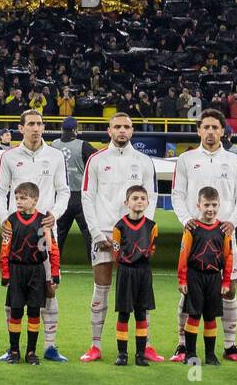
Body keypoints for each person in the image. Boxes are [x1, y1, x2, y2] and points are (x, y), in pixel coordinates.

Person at [169, 108, 237, 362]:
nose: (211, 131)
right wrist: (185, 220)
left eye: (216, 127)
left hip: (223, 234)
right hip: (195, 234)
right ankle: (183, 345)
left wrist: (233, 222)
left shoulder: (235, 161)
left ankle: (230, 345)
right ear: (199, 130)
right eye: (206, 127)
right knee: (188, 290)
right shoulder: (186, 159)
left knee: (229, 288)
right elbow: (177, 194)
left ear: (223, 131)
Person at [79, 112, 158, 363]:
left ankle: (145, 346)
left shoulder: (144, 161)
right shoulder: (97, 159)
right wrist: (95, 232)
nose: (122, 131)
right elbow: (87, 197)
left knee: (140, 293)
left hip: (135, 237)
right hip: (103, 231)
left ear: (132, 131)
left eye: (126, 127)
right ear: (109, 130)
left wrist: (145, 231)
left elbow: (152, 197)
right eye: (117, 127)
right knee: (101, 288)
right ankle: (95, 345)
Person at [0, 109, 68, 361]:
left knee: (49, 289)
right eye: (31, 124)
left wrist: (54, 214)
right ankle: (13, 348)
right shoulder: (10, 156)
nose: (36, 128)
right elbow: (0, 191)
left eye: (40, 124)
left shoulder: (56, 156)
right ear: (21, 127)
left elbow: (64, 191)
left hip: (45, 231)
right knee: (14, 296)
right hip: (17, 231)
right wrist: (3, 219)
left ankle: (49, 346)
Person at [0, 181, 60, 366]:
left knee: (34, 311)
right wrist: (5, 273)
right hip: (17, 271)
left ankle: (31, 352)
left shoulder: (43, 222)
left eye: (23, 198)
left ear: (35, 200)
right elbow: (4, 249)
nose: (18, 201)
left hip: (36, 271)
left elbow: (52, 248)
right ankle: (14, 351)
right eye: (16, 198)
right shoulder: (11, 221)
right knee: (15, 311)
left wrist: (54, 272)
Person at [176, 186, 232, 365]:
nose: (211, 209)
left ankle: (210, 354)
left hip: (214, 278)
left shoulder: (223, 230)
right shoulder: (191, 228)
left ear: (219, 205)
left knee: (210, 317)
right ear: (198, 205)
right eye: (206, 205)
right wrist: (182, 279)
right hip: (194, 277)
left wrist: (226, 281)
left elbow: (228, 257)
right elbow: (183, 255)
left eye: (214, 205)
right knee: (194, 316)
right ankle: (190, 353)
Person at [111, 185, 157, 367]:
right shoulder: (119, 226)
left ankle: (140, 354)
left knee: (141, 314)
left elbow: (152, 249)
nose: (139, 201)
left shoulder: (152, 226)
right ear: (126, 203)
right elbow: (116, 253)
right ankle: (122, 354)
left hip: (144, 273)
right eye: (135, 198)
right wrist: (127, 264)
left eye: (142, 198)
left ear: (147, 202)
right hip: (126, 273)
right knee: (123, 314)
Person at [50, 116, 95, 261]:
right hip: (79, 195)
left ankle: (53, 263)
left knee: (58, 232)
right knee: (88, 232)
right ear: (75, 130)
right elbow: (97, 160)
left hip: (60, 196)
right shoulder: (83, 145)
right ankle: (94, 261)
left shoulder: (54, 145)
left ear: (62, 129)